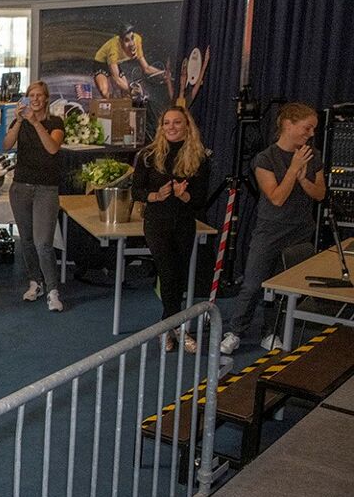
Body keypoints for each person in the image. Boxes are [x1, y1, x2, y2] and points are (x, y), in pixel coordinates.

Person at [221, 103, 325, 354]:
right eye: (307, 128)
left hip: (300, 230)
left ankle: (271, 331)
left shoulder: (313, 155)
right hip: (270, 230)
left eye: (313, 129)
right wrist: (293, 169)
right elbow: (277, 198)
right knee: (253, 284)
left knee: (283, 286)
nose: (311, 134)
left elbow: (320, 194)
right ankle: (235, 331)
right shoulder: (265, 159)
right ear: (288, 125)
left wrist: (303, 178)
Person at [132, 106, 211, 352]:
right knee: (167, 274)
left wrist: (183, 195)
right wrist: (157, 195)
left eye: (177, 122)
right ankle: (176, 327)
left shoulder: (199, 157)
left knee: (178, 276)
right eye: (167, 123)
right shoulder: (148, 155)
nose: (171, 127)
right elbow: (136, 191)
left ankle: (167, 326)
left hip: (184, 223)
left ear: (187, 125)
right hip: (157, 223)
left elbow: (200, 199)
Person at [3, 81, 65, 312]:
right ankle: (34, 282)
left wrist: (35, 122)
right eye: (31, 95)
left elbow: (52, 148)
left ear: (46, 99)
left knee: (43, 243)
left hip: (46, 189)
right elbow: (6, 145)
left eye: (39, 95)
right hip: (21, 187)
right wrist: (20, 120)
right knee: (27, 240)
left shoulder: (55, 123)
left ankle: (52, 290)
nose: (35, 99)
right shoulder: (21, 122)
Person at [93, 24, 164, 99]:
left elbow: (146, 68)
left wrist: (162, 73)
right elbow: (116, 78)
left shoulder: (137, 40)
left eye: (132, 38)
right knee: (104, 92)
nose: (132, 44)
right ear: (121, 41)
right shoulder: (113, 49)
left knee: (126, 94)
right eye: (126, 40)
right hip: (101, 64)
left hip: (115, 63)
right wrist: (131, 90)